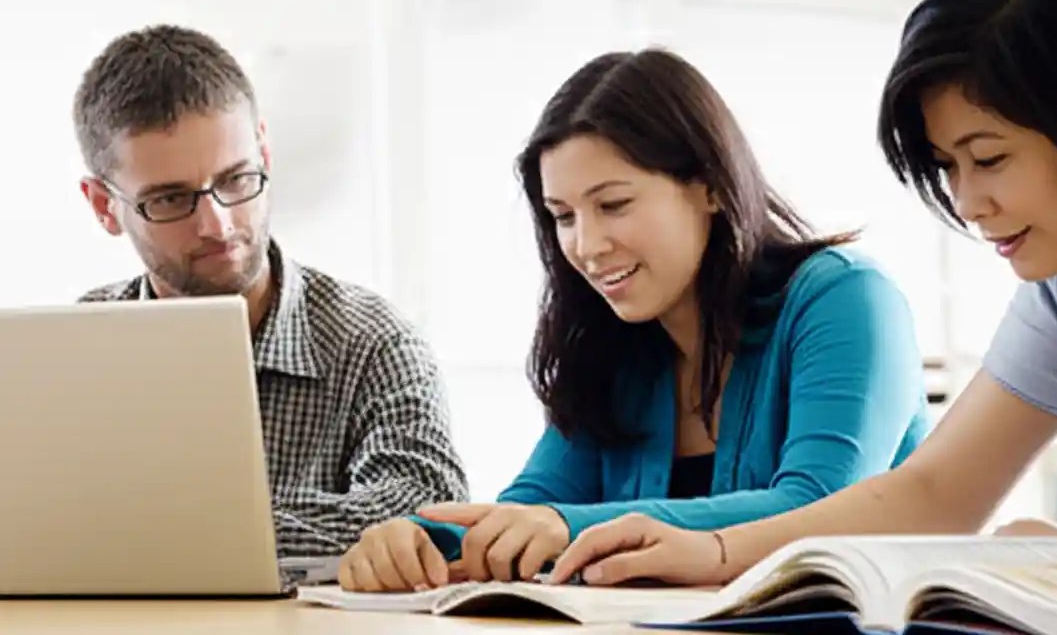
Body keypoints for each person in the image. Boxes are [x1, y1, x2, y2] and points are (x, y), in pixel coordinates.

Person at [546, 0, 1057, 587]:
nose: (965, 202)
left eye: (987, 159)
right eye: (947, 167)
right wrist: (712, 553)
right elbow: (934, 494)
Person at [336, 48, 932, 592]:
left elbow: (818, 506)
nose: (586, 245)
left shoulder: (849, 298)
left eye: (613, 205)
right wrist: (417, 541)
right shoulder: (619, 350)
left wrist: (560, 527)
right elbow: (531, 510)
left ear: (709, 187)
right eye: (562, 216)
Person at [73, 24, 469, 557]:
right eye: (170, 199)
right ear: (103, 206)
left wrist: (179, 539)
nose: (218, 224)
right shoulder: (77, 345)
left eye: (237, 179)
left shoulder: (374, 342)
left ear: (264, 149)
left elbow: (429, 510)